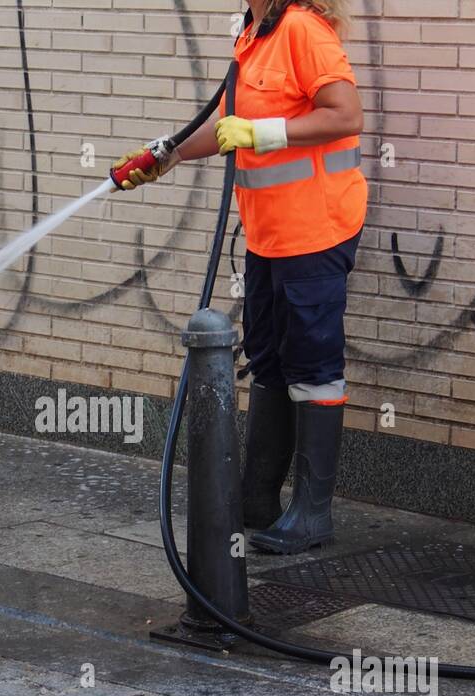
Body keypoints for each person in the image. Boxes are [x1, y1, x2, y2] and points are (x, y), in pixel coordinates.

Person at [114, 0, 366, 555]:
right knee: (270, 357)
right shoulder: (254, 34)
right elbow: (230, 128)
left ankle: (313, 514)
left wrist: (260, 133)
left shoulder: (302, 29)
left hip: (317, 230)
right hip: (270, 234)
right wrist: (170, 155)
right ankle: (258, 498)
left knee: (313, 362)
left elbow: (344, 115)